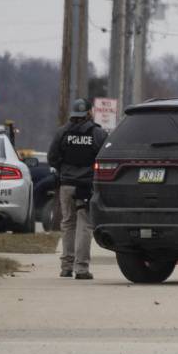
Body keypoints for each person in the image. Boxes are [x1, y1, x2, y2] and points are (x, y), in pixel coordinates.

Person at [47, 100, 107, 280]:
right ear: (90, 112)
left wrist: (65, 170)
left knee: (67, 223)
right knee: (84, 226)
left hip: (66, 185)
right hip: (86, 186)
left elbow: (52, 158)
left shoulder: (62, 132)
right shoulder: (97, 133)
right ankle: (81, 269)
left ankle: (66, 267)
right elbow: (104, 157)